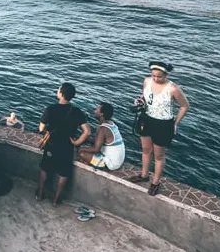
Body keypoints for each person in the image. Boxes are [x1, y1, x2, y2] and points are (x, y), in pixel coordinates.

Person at [129, 60, 189, 196]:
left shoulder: (173, 89)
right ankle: (144, 175)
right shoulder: (147, 81)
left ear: (166, 75)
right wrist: (140, 101)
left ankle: (155, 182)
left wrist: (175, 123)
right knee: (145, 150)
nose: (156, 78)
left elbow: (185, 106)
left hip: (163, 124)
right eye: (154, 75)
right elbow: (145, 96)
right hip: (146, 119)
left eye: (159, 76)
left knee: (159, 155)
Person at [36, 83, 90, 207]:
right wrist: (76, 142)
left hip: (52, 144)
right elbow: (87, 131)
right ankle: (56, 200)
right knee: (63, 173)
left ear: (61, 94)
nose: (57, 90)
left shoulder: (51, 109)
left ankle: (39, 194)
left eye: (58, 89)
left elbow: (41, 128)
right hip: (67, 146)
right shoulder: (76, 111)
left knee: (44, 169)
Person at [77, 102, 125, 170]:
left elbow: (96, 149)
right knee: (86, 148)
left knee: (82, 154)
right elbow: (98, 140)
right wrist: (85, 136)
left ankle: (96, 165)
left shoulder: (103, 129)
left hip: (111, 164)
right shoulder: (111, 124)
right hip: (118, 161)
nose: (95, 110)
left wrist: (81, 149)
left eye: (97, 109)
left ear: (102, 114)